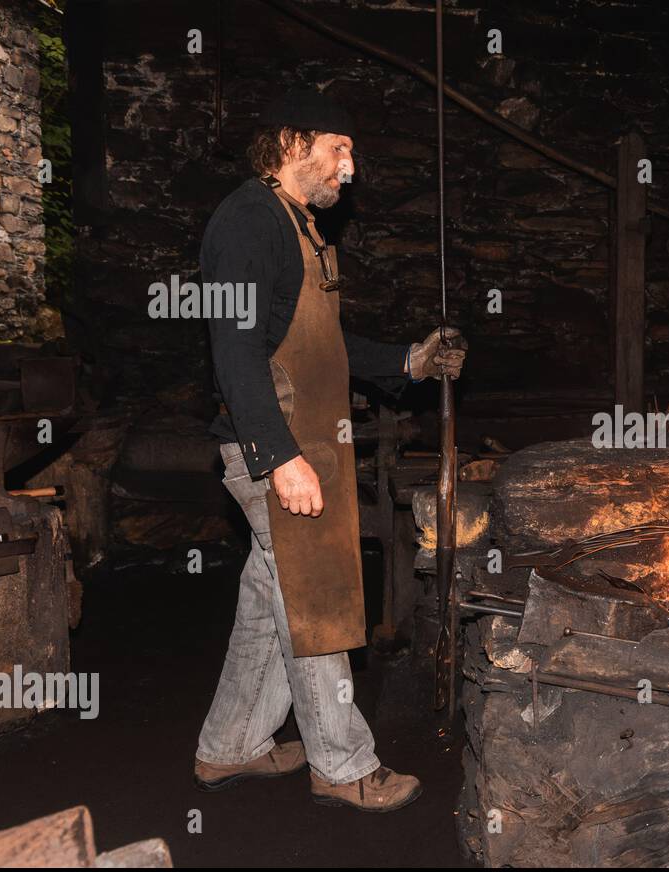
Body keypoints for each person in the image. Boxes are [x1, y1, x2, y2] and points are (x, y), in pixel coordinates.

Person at [193, 88, 466, 812]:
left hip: (305, 442)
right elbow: (235, 348)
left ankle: (230, 746)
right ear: (291, 141)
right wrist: (277, 456)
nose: (352, 166)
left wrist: (409, 360)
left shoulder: (302, 229)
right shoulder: (249, 222)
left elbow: (323, 345)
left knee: (269, 595)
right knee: (313, 596)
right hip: (277, 445)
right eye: (340, 148)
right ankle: (343, 762)